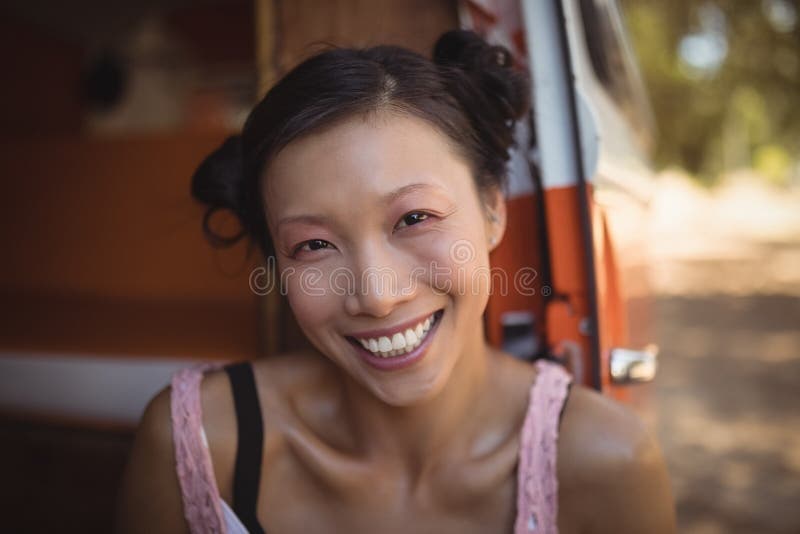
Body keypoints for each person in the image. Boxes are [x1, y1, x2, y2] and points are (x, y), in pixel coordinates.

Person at [115, 30, 676, 533]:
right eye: (313, 245)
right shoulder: (198, 447)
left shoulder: (606, 461)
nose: (379, 297)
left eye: (414, 218)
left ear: (492, 209)